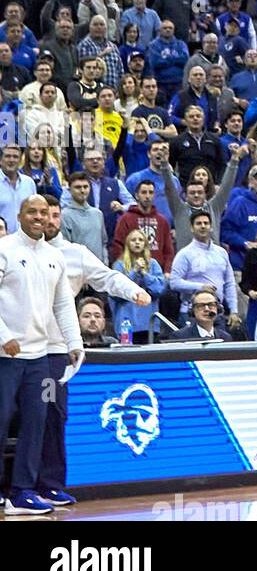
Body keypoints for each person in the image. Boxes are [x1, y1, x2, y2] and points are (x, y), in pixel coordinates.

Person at [38, 195, 148, 504]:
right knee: (12, 415)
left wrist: (134, 289)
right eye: (44, 214)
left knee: (52, 415)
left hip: (54, 350)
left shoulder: (75, 254)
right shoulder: (18, 250)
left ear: (61, 219)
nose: (49, 220)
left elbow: (106, 277)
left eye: (55, 215)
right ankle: (14, 486)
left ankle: (49, 484)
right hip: (16, 350)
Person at [0, 195, 83, 515]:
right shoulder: (5, 248)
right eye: (31, 212)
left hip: (39, 356)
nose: (38, 217)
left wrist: (74, 342)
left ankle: (22, 490)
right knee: (2, 417)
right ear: (19, 215)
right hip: (6, 355)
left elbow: (62, 304)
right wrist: (5, 336)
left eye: (44, 212)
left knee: (37, 420)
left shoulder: (55, 256)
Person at [110, 229, 167, 341]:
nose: (137, 242)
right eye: (133, 240)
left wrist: (144, 274)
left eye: (140, 240)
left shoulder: (153, 264)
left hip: (149, 324)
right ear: (127, 244)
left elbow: (159, 290)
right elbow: (115, 292)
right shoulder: (119, 265)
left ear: (145, 244)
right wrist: (134, 272)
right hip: (126, 323)